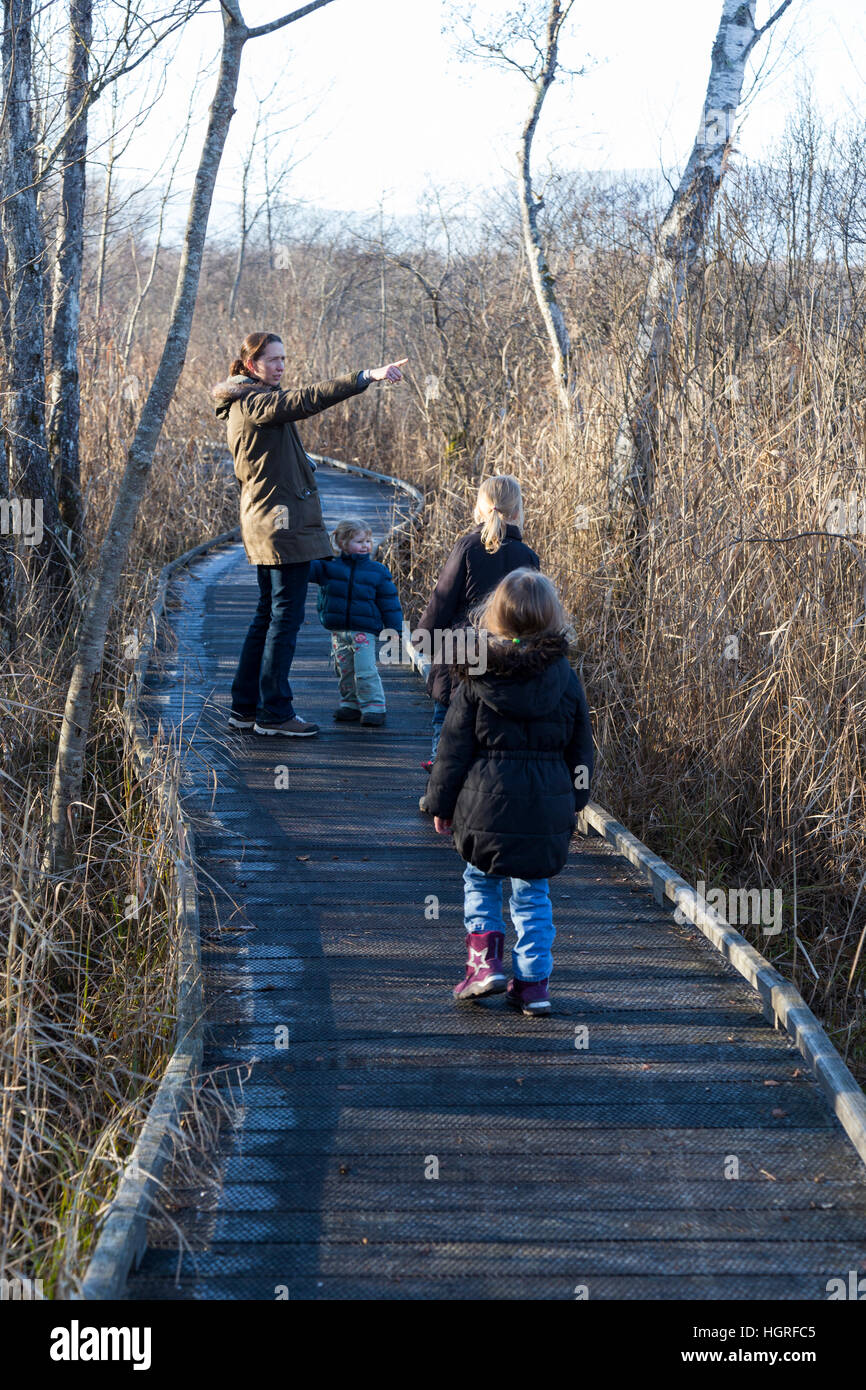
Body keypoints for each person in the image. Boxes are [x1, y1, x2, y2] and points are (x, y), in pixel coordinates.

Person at [212, 332, 407, 736]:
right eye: (272, 360)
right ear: (251, 366)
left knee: (267, 617)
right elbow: (307, 399)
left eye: (284, 358)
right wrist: (366, 375)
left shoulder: (243, 403)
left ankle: (245, 708)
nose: (281, 366)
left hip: (269, 524)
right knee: (284, 619)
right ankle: (275, 715)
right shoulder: (256, 402)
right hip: (283, 529)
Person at [424, 568, 594, 1016]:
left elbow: (454, 747)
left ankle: (484, 966)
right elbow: (581, 749)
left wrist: (440, 804)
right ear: (551, 619)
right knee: (533, 894)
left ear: (493, 618)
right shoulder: (565, 678)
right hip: (544, 809)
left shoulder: (478, 676)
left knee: (480, 879)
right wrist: (575, 803)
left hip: (485, 804)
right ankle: (534, 984)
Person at [415, 474, 539, 810]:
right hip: (505, 653)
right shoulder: (527, 556)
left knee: (447, 718)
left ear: (480, 509)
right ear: (517, 512)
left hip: (460, 652)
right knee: (489, 722)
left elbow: (442, 598)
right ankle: (481, 793)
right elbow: (529, 611)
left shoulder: (468, 547)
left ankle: (438, 790)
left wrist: (423, 638)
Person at [308, 519, 403, 726]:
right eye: (360, 541)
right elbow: (305, 569)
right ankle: (350, 704)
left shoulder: (377, 571)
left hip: (364, 631)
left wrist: (394, 628)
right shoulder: (328, 567)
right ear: (342, 543)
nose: (366, 545)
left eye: (368, 541)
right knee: (344, 670)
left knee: (365, 669)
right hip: (338, 630)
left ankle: (374, 707)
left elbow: (389, 602)